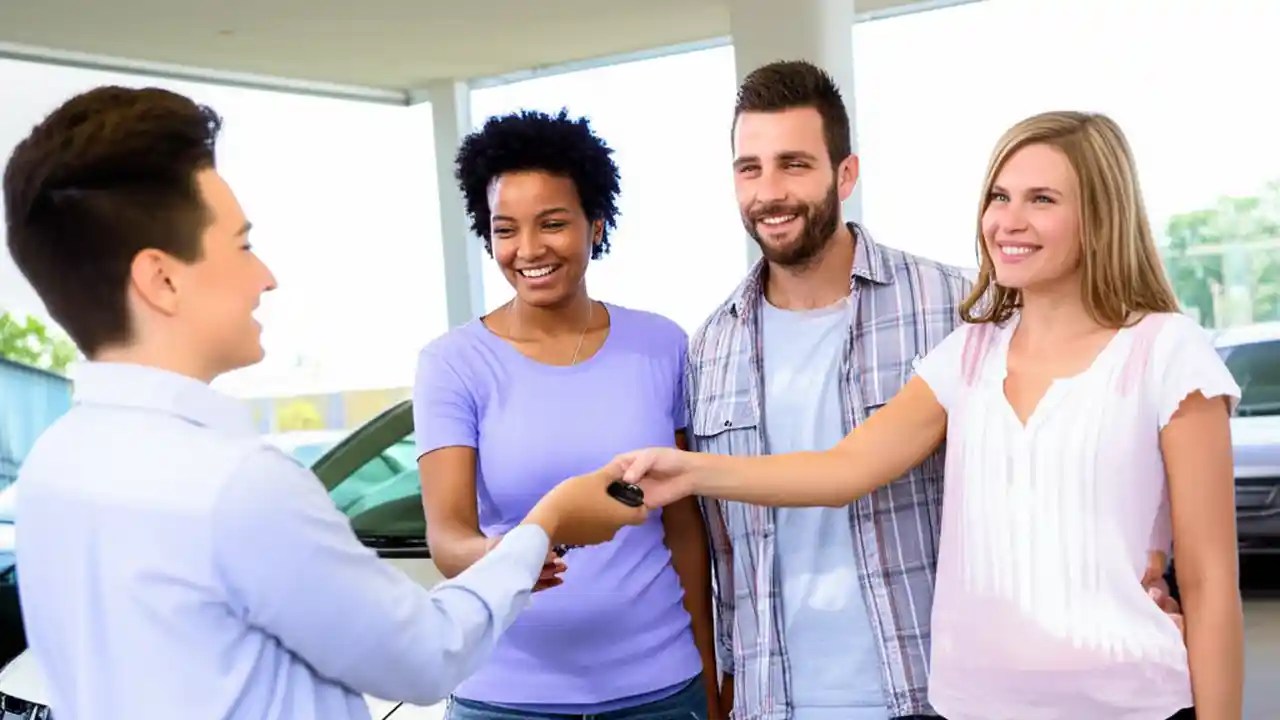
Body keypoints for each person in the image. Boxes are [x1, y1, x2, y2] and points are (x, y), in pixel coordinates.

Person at [3, 87, 646, 720]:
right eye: (243, 245)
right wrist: (546, 524)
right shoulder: (237, 486)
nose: (266, 277)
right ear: (162, 279)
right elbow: (425, 655)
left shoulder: (54, 465)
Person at [615, 109, 1244, 719]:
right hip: (972, 708)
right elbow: (842, 470)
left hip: (1131, 703)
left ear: (1101, 216)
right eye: (1000, 197)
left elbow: (1212, 583)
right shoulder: (969, 352)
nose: (1009, 221)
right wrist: (691, 470)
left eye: (1043, 200)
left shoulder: (1166, 352)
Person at [412, 108, 720, 720]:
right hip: (505, 696)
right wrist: (529, 548)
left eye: (552, 224)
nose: (528, 250)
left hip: (661, 691)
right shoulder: (452, 363)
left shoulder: (660, 345)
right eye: (506, 230)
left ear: (596, 225)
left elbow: (684, 529)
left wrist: (710, 683)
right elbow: (448, 541)